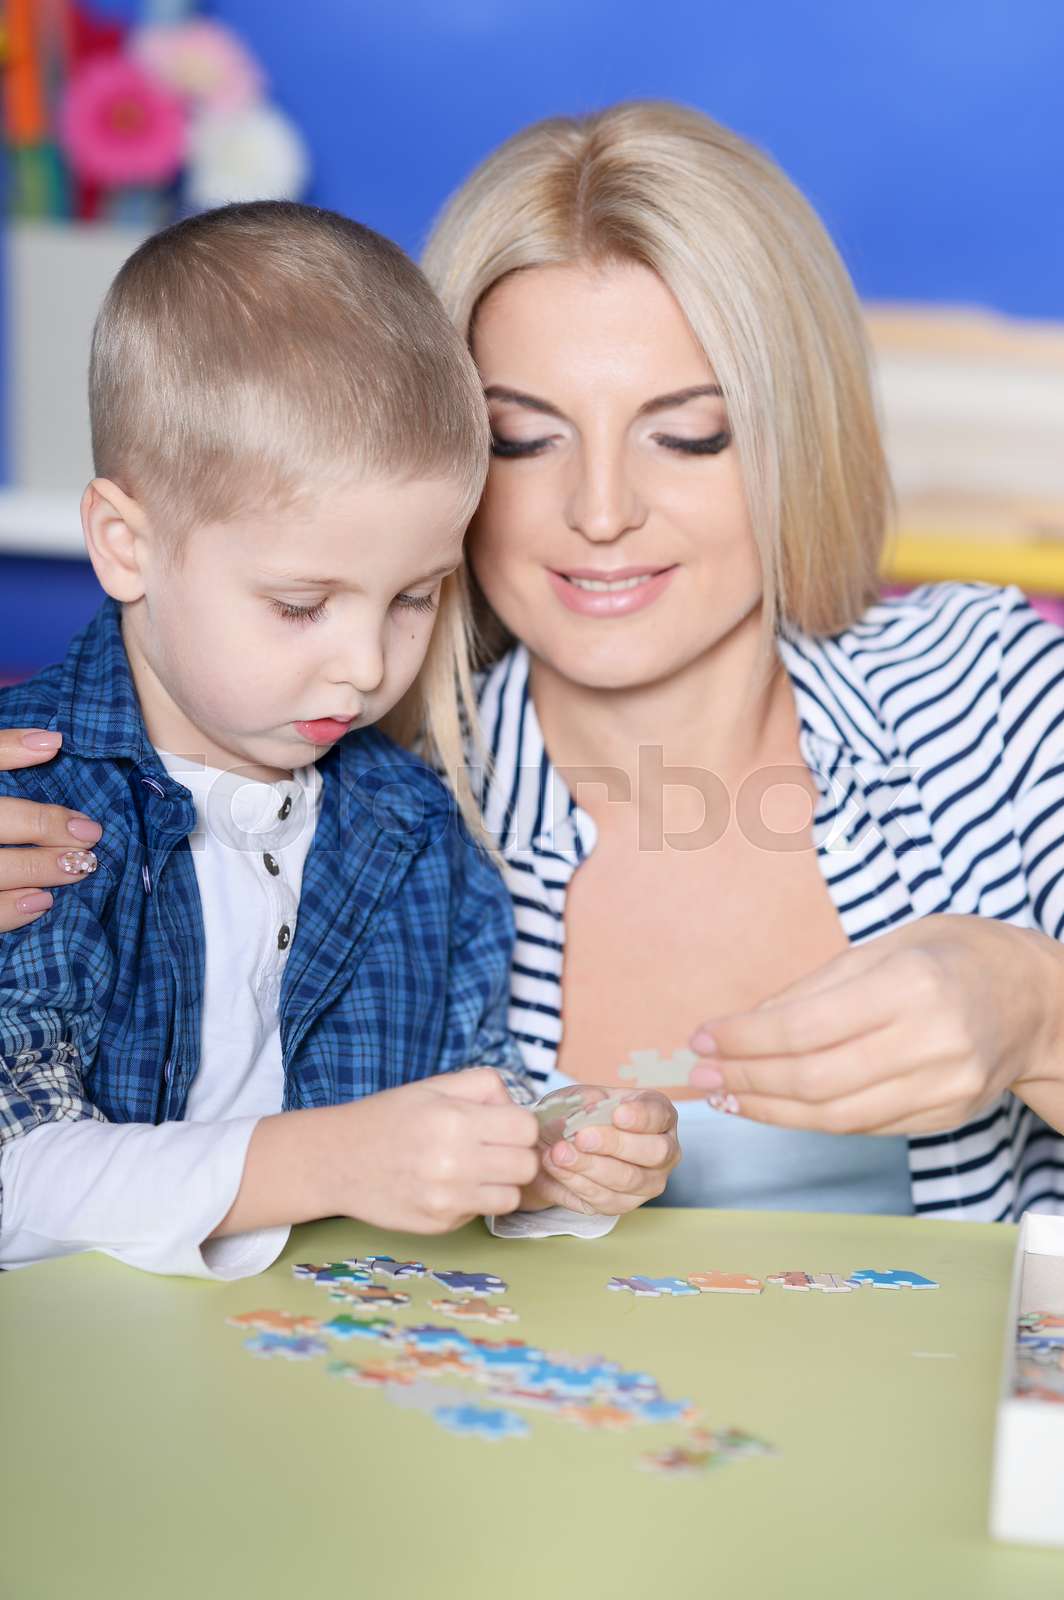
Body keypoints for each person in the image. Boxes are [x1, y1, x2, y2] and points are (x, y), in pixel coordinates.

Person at [6, 102, 1063, 1221]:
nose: (599, 512)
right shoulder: (345, 777)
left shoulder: (985, 692)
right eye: (522, 438)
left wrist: (1038, 1016)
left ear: (791, 433)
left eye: (687, 432)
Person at [0, 199, 679, 1278]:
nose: (367, 666)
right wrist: (320, 1163)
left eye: (413, 597)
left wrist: (552, 1150)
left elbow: (464, 1093)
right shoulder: (34, 812)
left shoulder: (409, 826)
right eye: (302, 604)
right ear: (127, 546)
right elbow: (14, 1177)